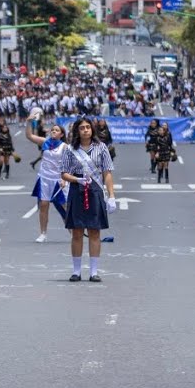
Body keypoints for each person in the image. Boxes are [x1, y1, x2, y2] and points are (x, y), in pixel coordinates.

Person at [61, 118, 117, 283]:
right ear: (77, 131)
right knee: (77, 232)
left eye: (87, 127)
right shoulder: (70, 149)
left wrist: (112, 196)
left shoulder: (101, 148)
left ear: (92, 129)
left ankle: (94, 272)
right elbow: (63, 173)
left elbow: (107, 173)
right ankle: (76, 271)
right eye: (82, 128)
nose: (85, 130)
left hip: (95, 190)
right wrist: (76, 180)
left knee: (94, 231)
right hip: (76, 188)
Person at [26, 118, 68, 243]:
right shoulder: (45, 142)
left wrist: (64, 179)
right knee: (44, 205)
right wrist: (29, 122)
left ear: (61, 134)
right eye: (52, 130)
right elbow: (29, 136)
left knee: (65, 206)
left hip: (58, 179)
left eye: (57, 130)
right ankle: (43, 233)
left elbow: (69, 164)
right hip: (44, 178)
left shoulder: (64, 147)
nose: (53, 131)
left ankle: (73, 231)